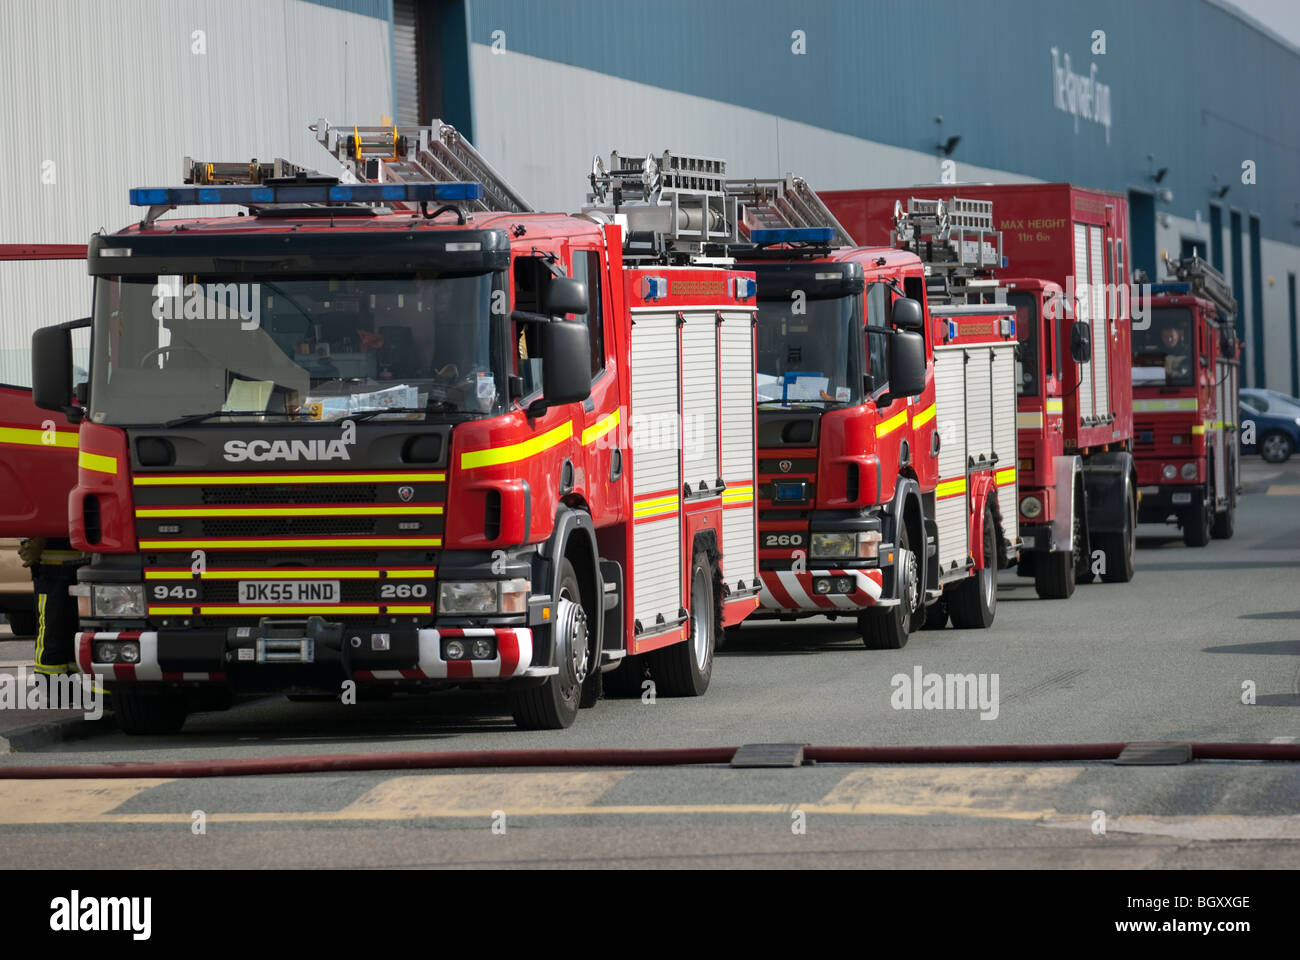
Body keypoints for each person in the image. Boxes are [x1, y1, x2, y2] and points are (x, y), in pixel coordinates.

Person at [18, 537, 85, 676]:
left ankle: (63, 682)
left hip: (73, 568)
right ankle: (52, 682)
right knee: (55, 629)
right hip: (53, 571)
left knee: (68, 630)